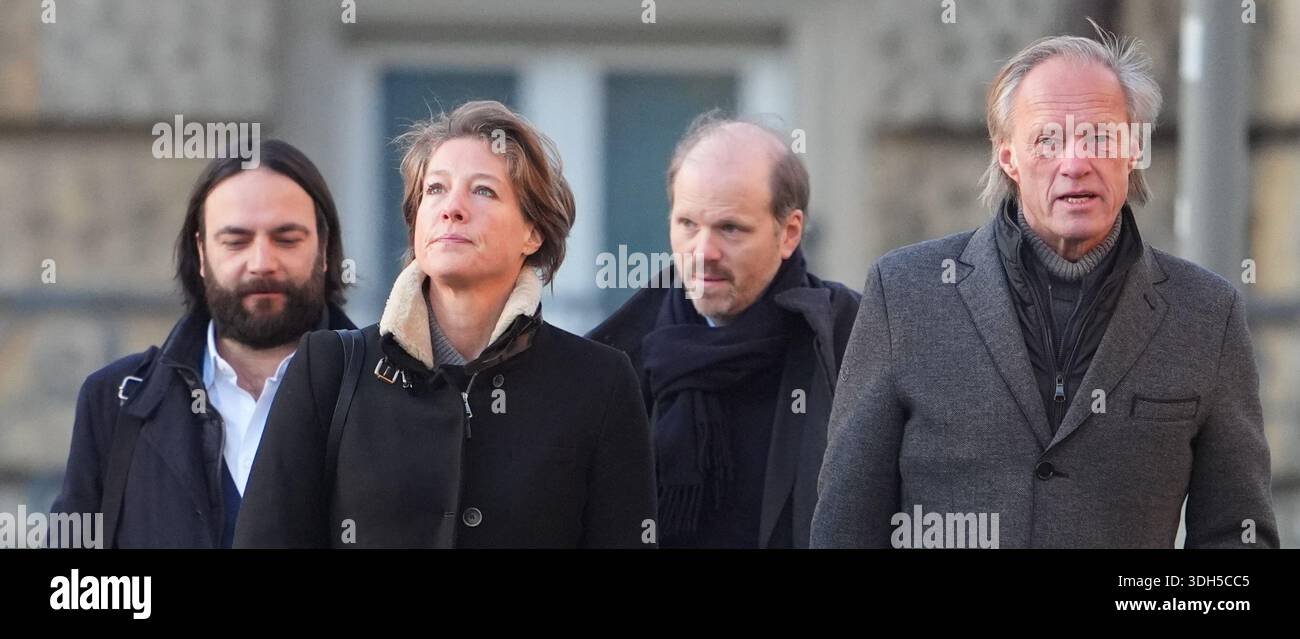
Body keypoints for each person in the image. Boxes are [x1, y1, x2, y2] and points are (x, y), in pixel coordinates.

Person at [812, 26, 1278, 548]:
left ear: (1133, 151)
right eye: (1048, 139)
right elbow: (845, 524)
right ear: (1008, 155)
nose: (1075, 163)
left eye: (1101, 137)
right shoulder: (906, 294)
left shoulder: (1205, 315)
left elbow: (1238, 536)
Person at [235, 101, 656, 548]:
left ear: (533, 232)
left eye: (483, 191)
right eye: (435, 189)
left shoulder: (599, 383)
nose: (451, 208)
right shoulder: (329, 370)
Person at [50, 139, 356, 548]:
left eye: (286, 239)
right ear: (200, 251)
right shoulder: (116, 404)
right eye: (236, 240)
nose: (262, 262)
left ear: (324, 249)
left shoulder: (385, 397)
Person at [589, 113, 860, 548]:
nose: (704, 252)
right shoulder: (612, 356)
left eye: (730, 228)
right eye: (688, 225)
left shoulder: (854, 340)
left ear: (789, 232)